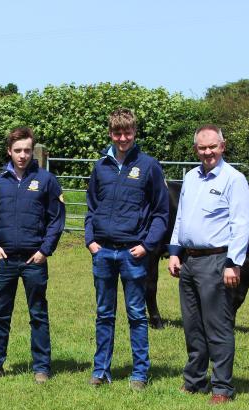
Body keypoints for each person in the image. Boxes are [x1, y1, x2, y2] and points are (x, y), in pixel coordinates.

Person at [84, 108, 169, 391]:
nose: (123, 138)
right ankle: (101, 371)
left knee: (136, 314)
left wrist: (147, 245)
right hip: (104, 252)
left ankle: (140, 373)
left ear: (135, 133)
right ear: (110, 133)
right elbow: (91, 208)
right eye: (117, 133)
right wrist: (90, 241)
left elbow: (160, 212)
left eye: (128, 132)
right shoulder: (101, 167)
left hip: (133, 253)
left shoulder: (149, 166)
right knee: (104, 314)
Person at [167, 125, 249, 404]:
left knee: (217, 325)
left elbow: (241, 223)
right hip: (189, 260)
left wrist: (233, 262)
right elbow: (181, 218)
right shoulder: (190, 177)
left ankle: (222, 388)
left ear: (223, 146)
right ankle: (194, 380)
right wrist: (174, 251)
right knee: (192, 325)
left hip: (217, 260)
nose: (207, 152)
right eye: (202, 148)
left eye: (212, 146)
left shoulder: (233, 179)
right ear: (195, 150)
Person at [0, 127, 66, 384]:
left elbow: (56, 220)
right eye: (18, 150)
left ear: (32, 151)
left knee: (38, 314)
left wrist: (44, 250)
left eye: (27, 150)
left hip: (33, 261)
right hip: (4, 259)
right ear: (9, 151)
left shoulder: (46, 180)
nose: (23, 155)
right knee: (0, 313)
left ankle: (41, 367)